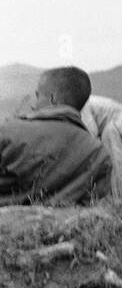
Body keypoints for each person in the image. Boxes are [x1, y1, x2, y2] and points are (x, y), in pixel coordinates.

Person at [0, 67, 111, 206]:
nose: (34, 105)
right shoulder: (99, 152)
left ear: (52, 98)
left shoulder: (9, 130)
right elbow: (95, 204)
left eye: (38, 96)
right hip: (62, 225)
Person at [81, 94, 122, 201]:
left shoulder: (82, 104)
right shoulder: (88, 100)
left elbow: (91, 133)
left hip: (118, 126)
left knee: (121, 170)